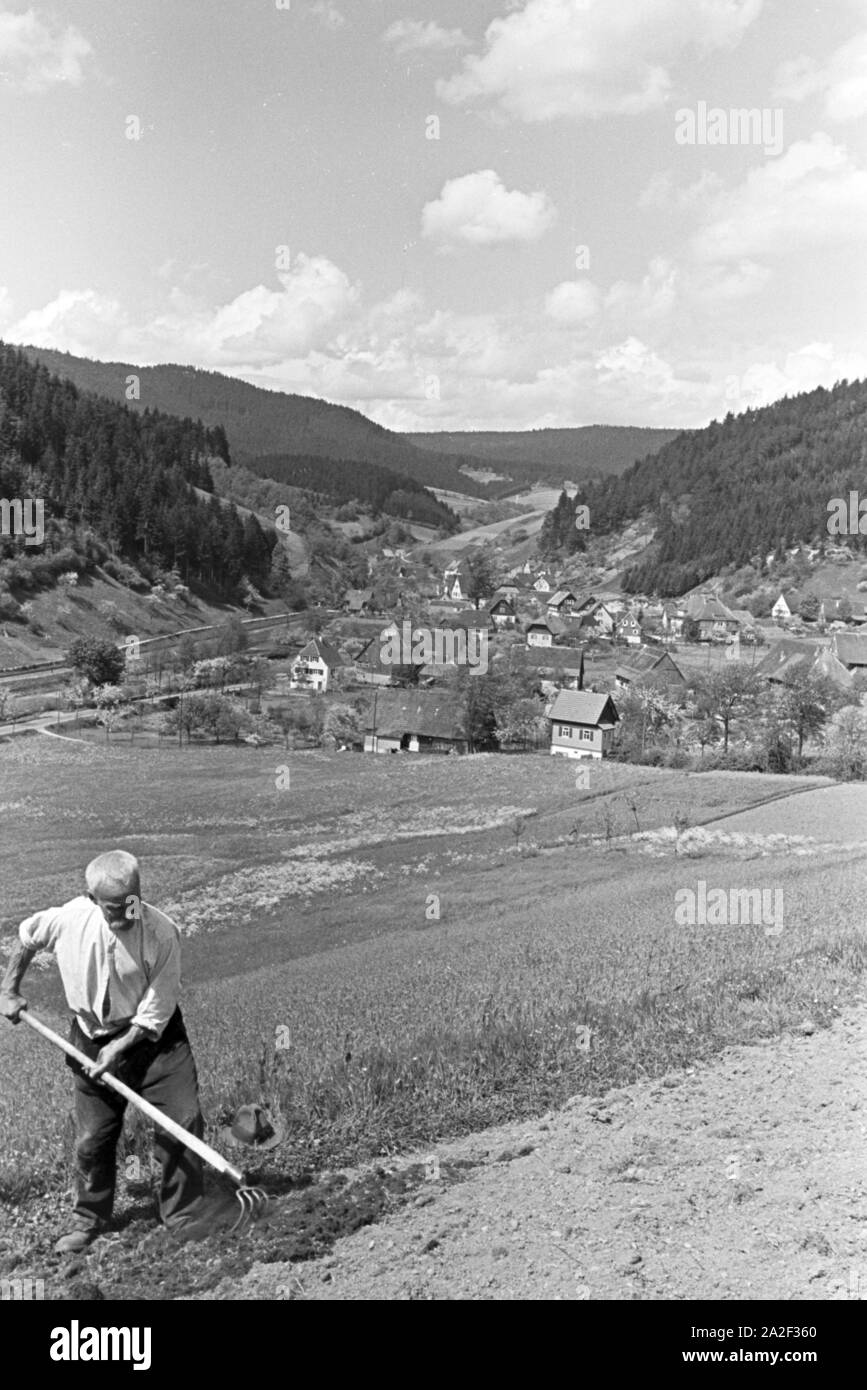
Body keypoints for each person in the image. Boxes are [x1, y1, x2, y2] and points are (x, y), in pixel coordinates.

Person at [0, 849, 205, 1254]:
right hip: (90, 1039)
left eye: (131, 903)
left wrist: (121, 1047)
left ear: (139, 893)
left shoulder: (162, 932)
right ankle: (89, 1218)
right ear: (91, 899)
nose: (124, 914)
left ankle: (182, 1214)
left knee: (182, 1120)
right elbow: (27, 937)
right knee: (92, 1139)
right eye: (113, 907)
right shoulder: (69, 919)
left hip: (154, 1041)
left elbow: (158, 1009)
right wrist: (9, 989)